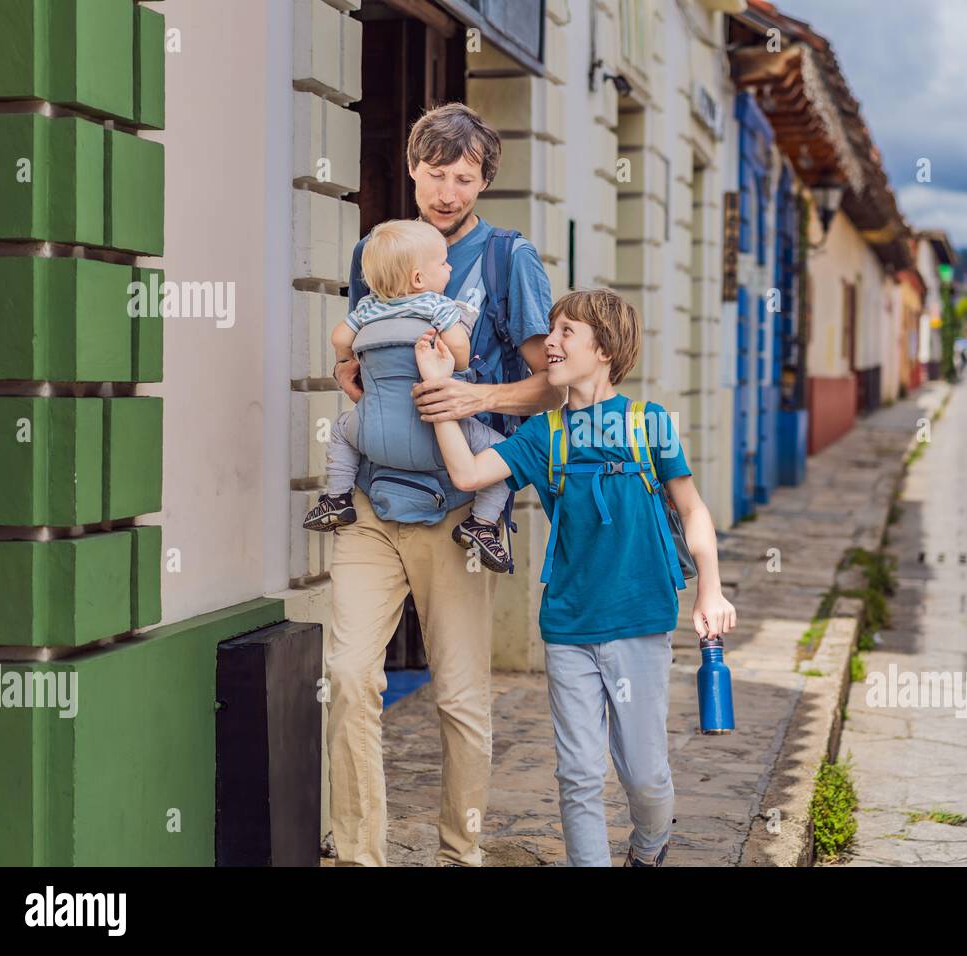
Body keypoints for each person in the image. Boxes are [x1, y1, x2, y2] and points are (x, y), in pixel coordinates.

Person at [416, 288, 737, 866]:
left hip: (640, 620)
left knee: (645, 776)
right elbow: (466, 474)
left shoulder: (650, 424)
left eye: (567, 332)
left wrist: (710, 587)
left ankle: (650, 843)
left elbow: (692, 509)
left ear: (605, 348)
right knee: (579, 774)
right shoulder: (544, 433)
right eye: (552, 329)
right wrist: (441, 398)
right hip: (567, 624)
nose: (552, 343)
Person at [325, 102, 561, 867]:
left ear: (485, 179)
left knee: (460, 700)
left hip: (459, 510)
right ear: (412, 170)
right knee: (348, 675)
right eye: (435, 174)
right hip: (370, 504)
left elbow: (551, 384)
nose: (447, 191)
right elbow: (357, 347)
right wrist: (347, 370)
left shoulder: (506, 259)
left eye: (464, 178)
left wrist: (476, 398)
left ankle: (461, 854)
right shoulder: (377, 247)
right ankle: (361, 854)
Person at [303, 218, 512, 572]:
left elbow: (340, 337)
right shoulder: (439, 306)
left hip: (374, 436)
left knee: (340, 430)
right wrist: (457, 355)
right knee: (505, 456)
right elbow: (459, 350)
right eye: (444, 263)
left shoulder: (367, 308)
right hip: (440, 441)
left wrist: (346, 361)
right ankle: (482, 523)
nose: (450, 267)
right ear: (418, 279)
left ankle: (337, 497)